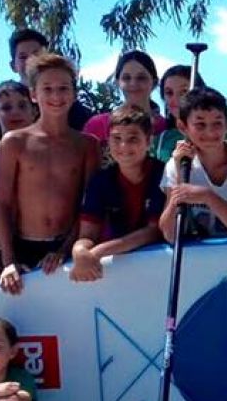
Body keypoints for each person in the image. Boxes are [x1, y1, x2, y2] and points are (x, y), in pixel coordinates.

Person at [0, 52, 101, 294]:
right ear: (33, 94)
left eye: (63, 88)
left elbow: (89, 205)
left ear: (74, 93)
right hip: (22, 249)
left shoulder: (87, 145)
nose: (56, 96)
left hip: (67, 248)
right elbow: (2, 203)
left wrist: (64, 250)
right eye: (47, 89)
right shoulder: (15, 142)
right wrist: (8, 260)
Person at [70, 106, 165, 281]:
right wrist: (80, 251)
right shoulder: (100, 181)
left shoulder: (163, 174)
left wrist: (98, 252)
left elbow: (154, 231)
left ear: (148, 141)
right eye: (117, 138)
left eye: (133, 139)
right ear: (108, 141)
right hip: (119, 268)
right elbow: (88, 235)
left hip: (159, 264)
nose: (124, 146)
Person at [161, 87, 227, 242]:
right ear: (183, 127)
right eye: (200, 124)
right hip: (208, 252)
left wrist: (207, 196)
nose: (210, 132)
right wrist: (179, 176)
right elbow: (171, 235)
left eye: (217, 123)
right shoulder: (176, 164)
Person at [0, 28, 93, 141]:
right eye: (23, 57)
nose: (30, 61)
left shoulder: (73, 110)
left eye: (36, 55)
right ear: (13, 66)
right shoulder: (2, 121)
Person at [151, 65, 227, 163]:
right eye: (169, 93)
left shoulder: (222, 126)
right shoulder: (161, 139)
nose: (175, 99)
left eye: (184, 92)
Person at [81, 50, 167, 147]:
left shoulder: (166, 127)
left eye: (141, 78)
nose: (133, 83)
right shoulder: (98, 125)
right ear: (118, 82)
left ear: (154, 83)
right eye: (126, 78)